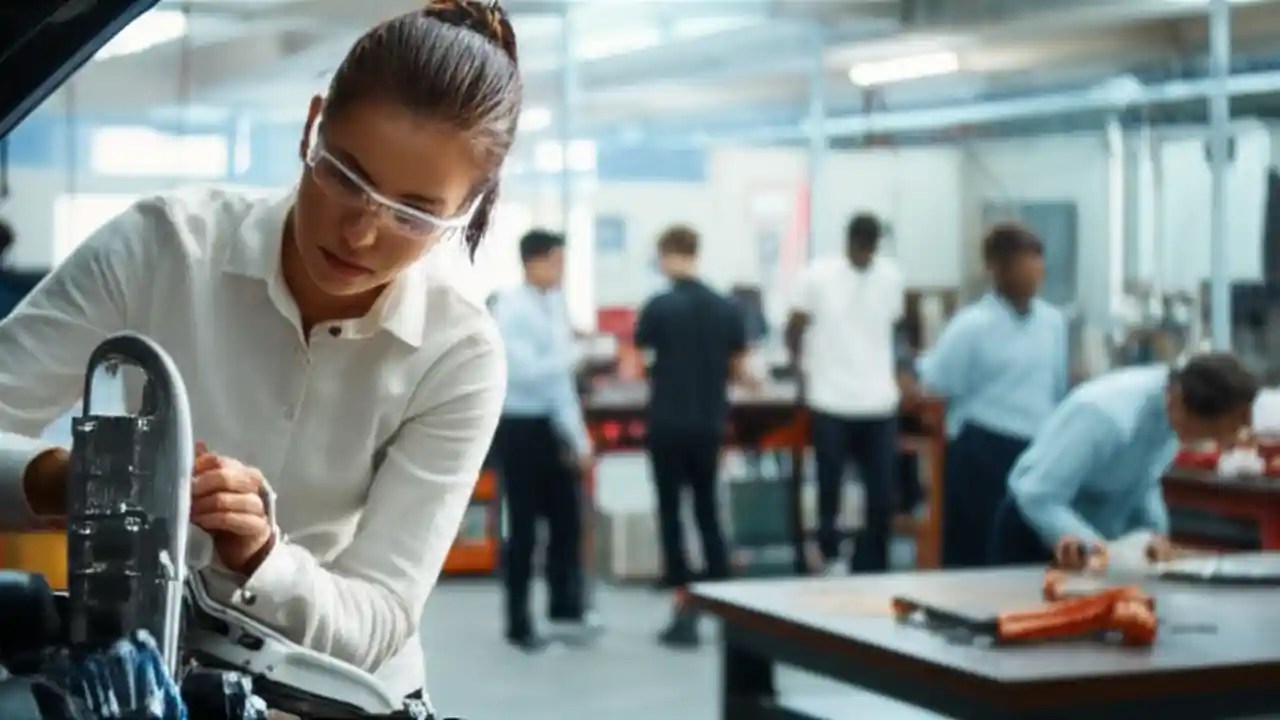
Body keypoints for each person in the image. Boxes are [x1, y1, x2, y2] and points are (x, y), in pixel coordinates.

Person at [0, 0, 520, 699]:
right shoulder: (162, 248)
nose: (362, 233)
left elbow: (381, 618)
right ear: (312, 127)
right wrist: (71, 478)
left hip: (331, 694)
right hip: (144, 674)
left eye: (413, 212)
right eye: (345, 175)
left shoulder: (458, 356)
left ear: (467, 209)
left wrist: (262, 560)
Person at [990, 353, 1258, 566]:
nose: (1210, 443)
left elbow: (1143, 483)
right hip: (1034, 533)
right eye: (1211, 433)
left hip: (1092, 539)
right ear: (1182, 405)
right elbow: (1038, 496)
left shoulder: (1170, 414)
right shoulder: (1108, 417)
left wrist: (1156, 537)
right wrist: (1105, 553)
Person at [917, 224, 1068, 568]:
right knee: (976, 549)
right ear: (997, 270)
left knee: (1027, 550)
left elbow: (1056, 387)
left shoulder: (1053, 323)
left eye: (1038, 266)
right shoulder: (972, 325)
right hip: (982, 450)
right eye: (1023, 266)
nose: (1034, 276)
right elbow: (938, 383)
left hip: (1035, 450)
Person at [634, 226, 753, 647]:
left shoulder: (658, 307)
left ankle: (680, 596)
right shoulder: (726, 308)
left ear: (667, 255)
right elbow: (742, 370)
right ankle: (724, 598)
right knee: (707, 514)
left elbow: (637, 362)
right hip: (708, 426)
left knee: (671, 514)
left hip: (666, 424)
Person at [490, 229, 595, 653]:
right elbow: (526, 371)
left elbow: (560, 386)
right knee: (523, 528)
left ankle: (564, 605)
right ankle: (519, 622)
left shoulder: (554, 304)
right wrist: (574, 355)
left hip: (551, 425)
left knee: (565, 518)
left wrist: (580, 439)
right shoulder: (510, 308)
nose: (562, 271)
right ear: (533, 262)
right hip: (518, 428)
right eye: (556, 262)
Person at [786, 212, 904, 574]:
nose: (866, 251)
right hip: (830, 399)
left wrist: (902, 372)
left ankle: (872, 563)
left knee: (881, 495)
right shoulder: (819, 277)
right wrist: (800, 372)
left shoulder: (891, 278)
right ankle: (829, 555)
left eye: (872, 245)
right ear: (849, 240)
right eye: (861, 243)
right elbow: (794, 327)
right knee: (828, 490)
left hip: (878, 401)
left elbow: (895, 329)